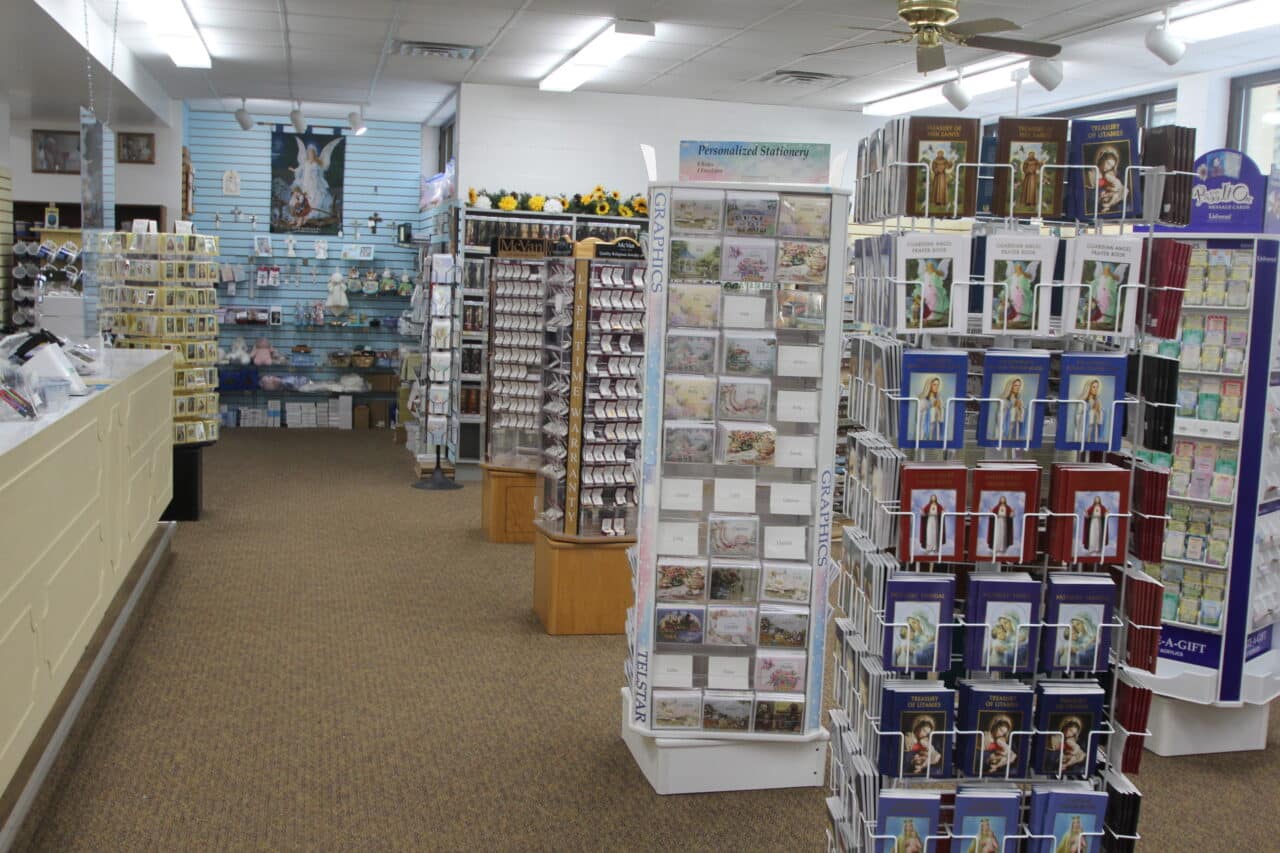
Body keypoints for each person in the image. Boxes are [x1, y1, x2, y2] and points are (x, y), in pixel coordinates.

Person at [1092, 146, 1127, 214]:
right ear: (1102, 159)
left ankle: (1108, 205)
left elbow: (1114, 185)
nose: (1108, 167)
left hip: (1107, 195)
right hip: (1098, 195)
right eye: (1108, 163)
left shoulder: (1109, 174)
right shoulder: (1092, 172)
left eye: (1111, 166)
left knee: (1124, 191)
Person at [996, 376, 1025, 442]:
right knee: (1003, 445)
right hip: (1005, 426)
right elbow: (1001, 414)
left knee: (1015, 447)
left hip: (1015, 426)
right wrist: (1014, 407)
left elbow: (1022, 415)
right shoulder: (1003, 399)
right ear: (1010, 386)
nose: (1018, 387)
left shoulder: (1019, 399)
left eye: (1019, 385)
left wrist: (1020, 408)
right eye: (1015, 385)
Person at [918, 376, 946, 442]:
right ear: (929, 385)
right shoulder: (922, 399)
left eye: (938, 385)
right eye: (934, 384)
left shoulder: (939, 398)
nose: (936, 387)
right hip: (925, 425)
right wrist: (932, 408)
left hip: (936, 426)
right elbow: (919, 413)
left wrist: (939, 408)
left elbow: (941, 413)